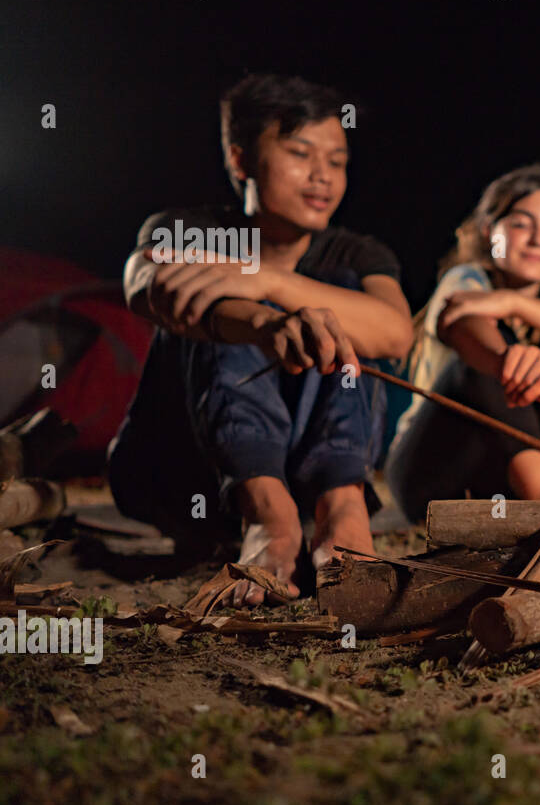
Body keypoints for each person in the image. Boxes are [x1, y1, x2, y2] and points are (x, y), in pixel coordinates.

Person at [108, 74, 413, 606]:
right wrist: (261, 320)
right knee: (212, 291)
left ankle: (342, 511)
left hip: (310, 474)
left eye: (337, 161)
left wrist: (272, 282)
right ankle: (269, 519)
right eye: (300, 153)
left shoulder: (355, 254)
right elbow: (145, 283)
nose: (322, 176)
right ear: (240, 159)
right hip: (178, 471)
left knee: (337, 302)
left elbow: (395, 333)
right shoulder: (192, 229)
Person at [385, 165, 540, 518]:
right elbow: (462, 323)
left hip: (502, 483)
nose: (538, 239)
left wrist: (517, 303)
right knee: (485, 360)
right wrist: (507, 359)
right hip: (436, 468)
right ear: (490, 231)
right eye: (522, 224)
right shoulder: (467, 279)